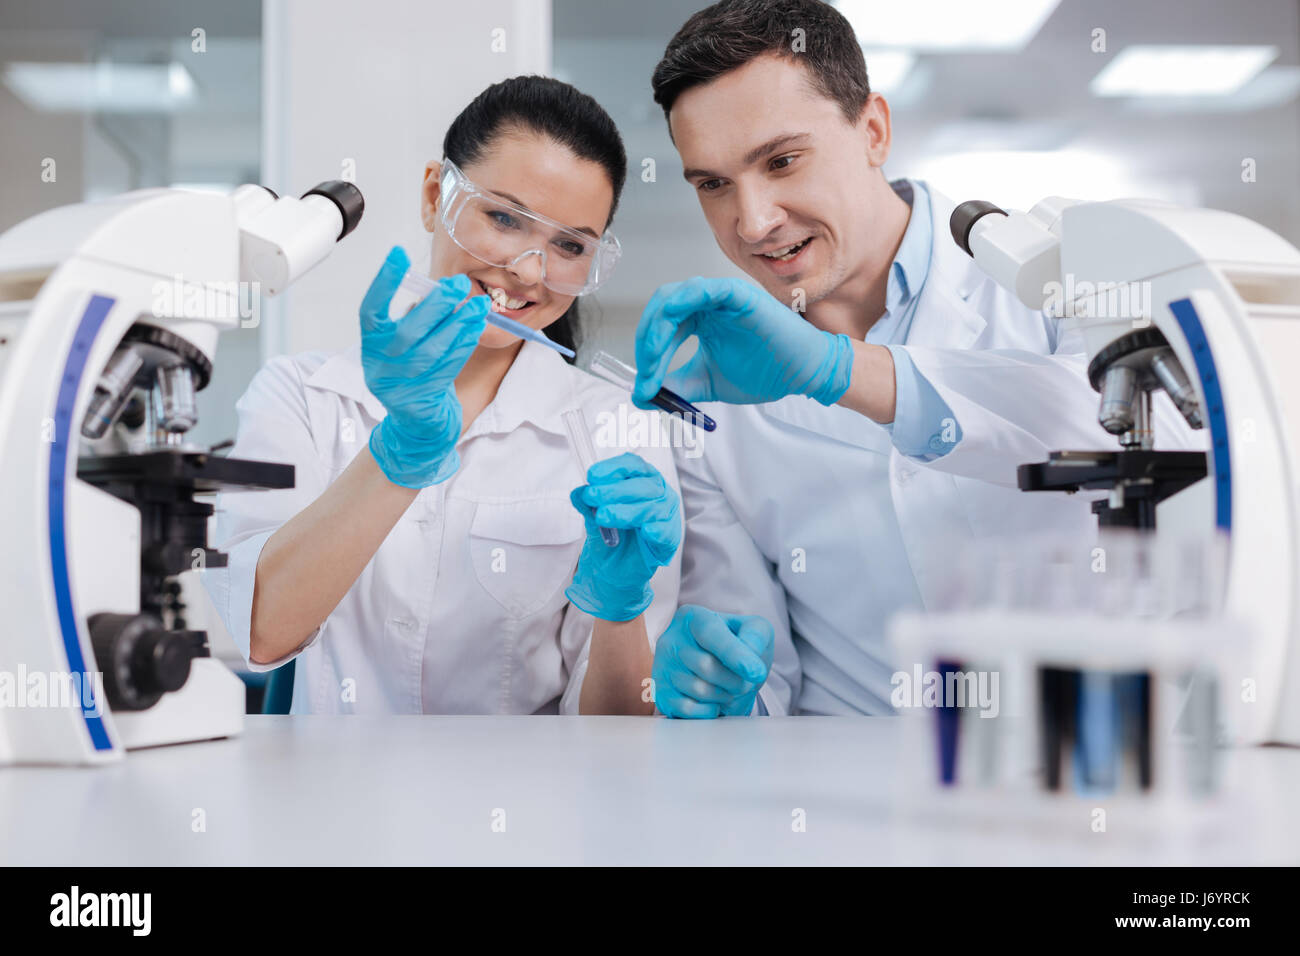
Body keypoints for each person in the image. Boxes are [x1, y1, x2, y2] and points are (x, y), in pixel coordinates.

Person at [637, 0, 1203, 717]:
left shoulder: (1056, 270)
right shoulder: (714, 398)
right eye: (712, 184)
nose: (752, 221)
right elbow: (762, 681)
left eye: (782, 161)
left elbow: (1176, 435)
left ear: (873, 129)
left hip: (1091, 765)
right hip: (856, 798)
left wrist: (845, 372)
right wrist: (716, 681)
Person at [204, 76, 682, 715]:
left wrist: (620, 610)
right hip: (328, 807)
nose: (529, 271)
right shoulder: (301, 398)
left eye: (569, 245)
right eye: (504, 218)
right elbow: (263, 633)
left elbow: (621, 740)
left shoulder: (619, 433)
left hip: (533, 810)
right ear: (436, 196)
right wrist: (398, 454)